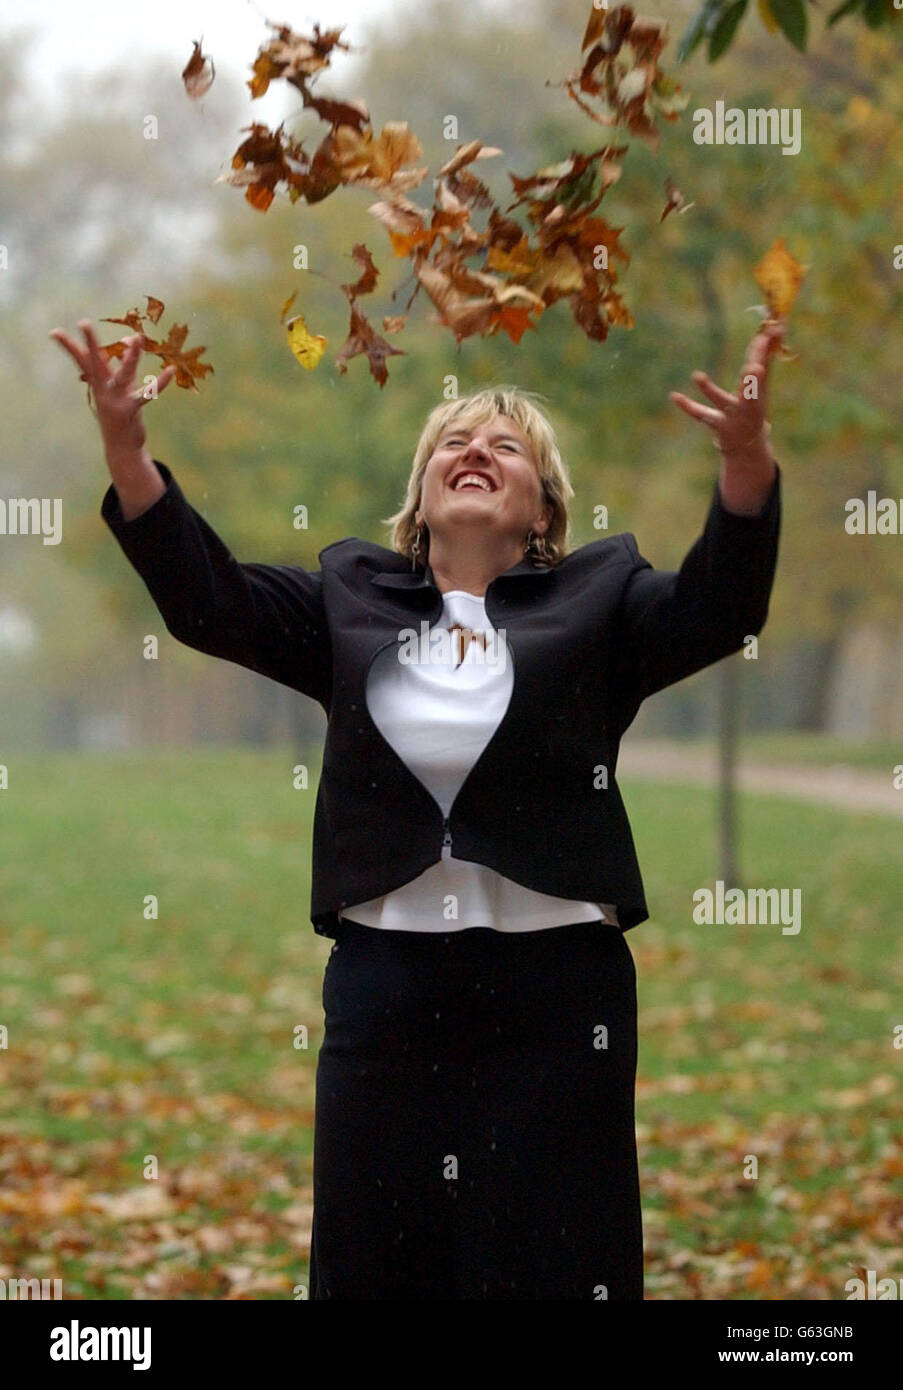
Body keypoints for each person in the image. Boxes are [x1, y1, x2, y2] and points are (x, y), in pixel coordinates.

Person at [50, 318, 783, 1300]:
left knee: (558, 1267)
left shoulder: (600, 598)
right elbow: (208, 601)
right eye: (453, 442)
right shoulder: (350, 598)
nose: (474, 450)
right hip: (385, 994)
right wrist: (131, 457)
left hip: (559, 1001)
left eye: (505, 445)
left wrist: (745, 466)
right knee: (377, 1270)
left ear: (543, 512)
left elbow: (719, 607)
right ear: (421, 500)